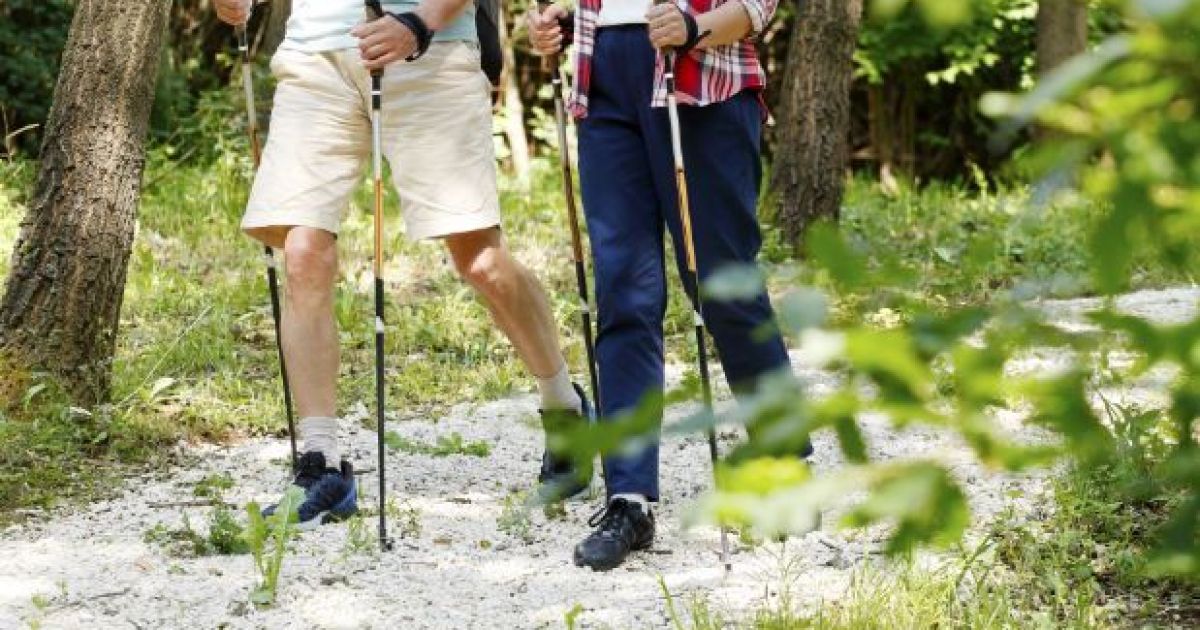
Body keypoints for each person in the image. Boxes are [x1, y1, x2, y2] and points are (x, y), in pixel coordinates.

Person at [214, 0, 591, 529]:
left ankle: (564, 405)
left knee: (479, 258)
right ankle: (321, 464)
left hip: (431, 52)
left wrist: (420, 22)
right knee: (302, 250)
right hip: (315, 56)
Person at [527, 0, 812, 571]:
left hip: (700, 74)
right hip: (604, 78)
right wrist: (560, 17)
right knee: (623, 293)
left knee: (722, 284)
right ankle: (628, 499)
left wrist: (695, 28)